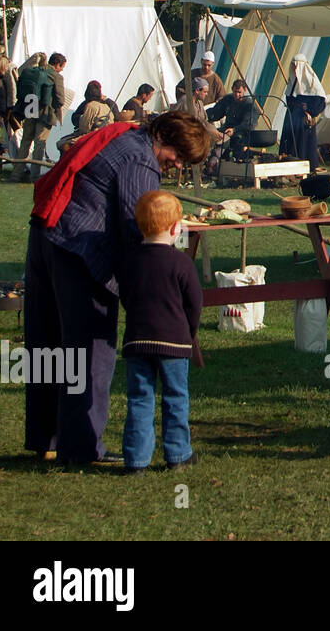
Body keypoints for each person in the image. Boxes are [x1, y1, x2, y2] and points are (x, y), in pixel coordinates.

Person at [24, 111, 210, 465]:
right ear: (165, 139)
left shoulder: (124, 136)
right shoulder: (141, 161)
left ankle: (45, 438)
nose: (177, 165)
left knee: (47, 345)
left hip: (48, 236)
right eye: (178, 156)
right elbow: (137, 228)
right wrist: (149, 291)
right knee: (89, 351)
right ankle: (80, 448)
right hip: (79, 253)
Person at [119, 190, 203, 473]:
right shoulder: (182, 263)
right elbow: (194, 303)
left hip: (138, 340)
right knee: (176, 397)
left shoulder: (129, 262)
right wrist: (188, 333)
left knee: (139, 399)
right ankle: (178, 455)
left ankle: (136, 460)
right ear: (175, 228)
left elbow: (126, 296)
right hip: (175, 343)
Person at [280, 54, 327, 168]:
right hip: (292, 119)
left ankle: (305, 168)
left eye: (296, 66)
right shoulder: (292, 83)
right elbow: (290, 99)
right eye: (293, 66)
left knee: (304, 145)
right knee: (289, 143)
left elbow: (320, 102)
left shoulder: (312, 84)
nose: (294, 69)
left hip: (304, 121)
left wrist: (309, 110)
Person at [13, 52, 54, 179]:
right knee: (39, 144)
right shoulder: (46, 75)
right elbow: (47, 99)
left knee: (25, 141)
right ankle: (34, 175)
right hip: (41, 110)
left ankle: (16, 173)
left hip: (29, 108)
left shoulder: (27, 72)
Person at [207, 78, 258, 158]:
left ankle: (232, 160)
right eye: (235, 92)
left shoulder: (249, 105)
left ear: (244, 90)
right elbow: (216, 112)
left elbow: (249, 124)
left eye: (239, 92)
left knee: (237, 141)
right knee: (211, 135)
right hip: (226, 129)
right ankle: (211, 160)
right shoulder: (228, 99)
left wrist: (234, 130)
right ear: (232, 90)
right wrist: (204, 117)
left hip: (242, 133)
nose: (237, 95)